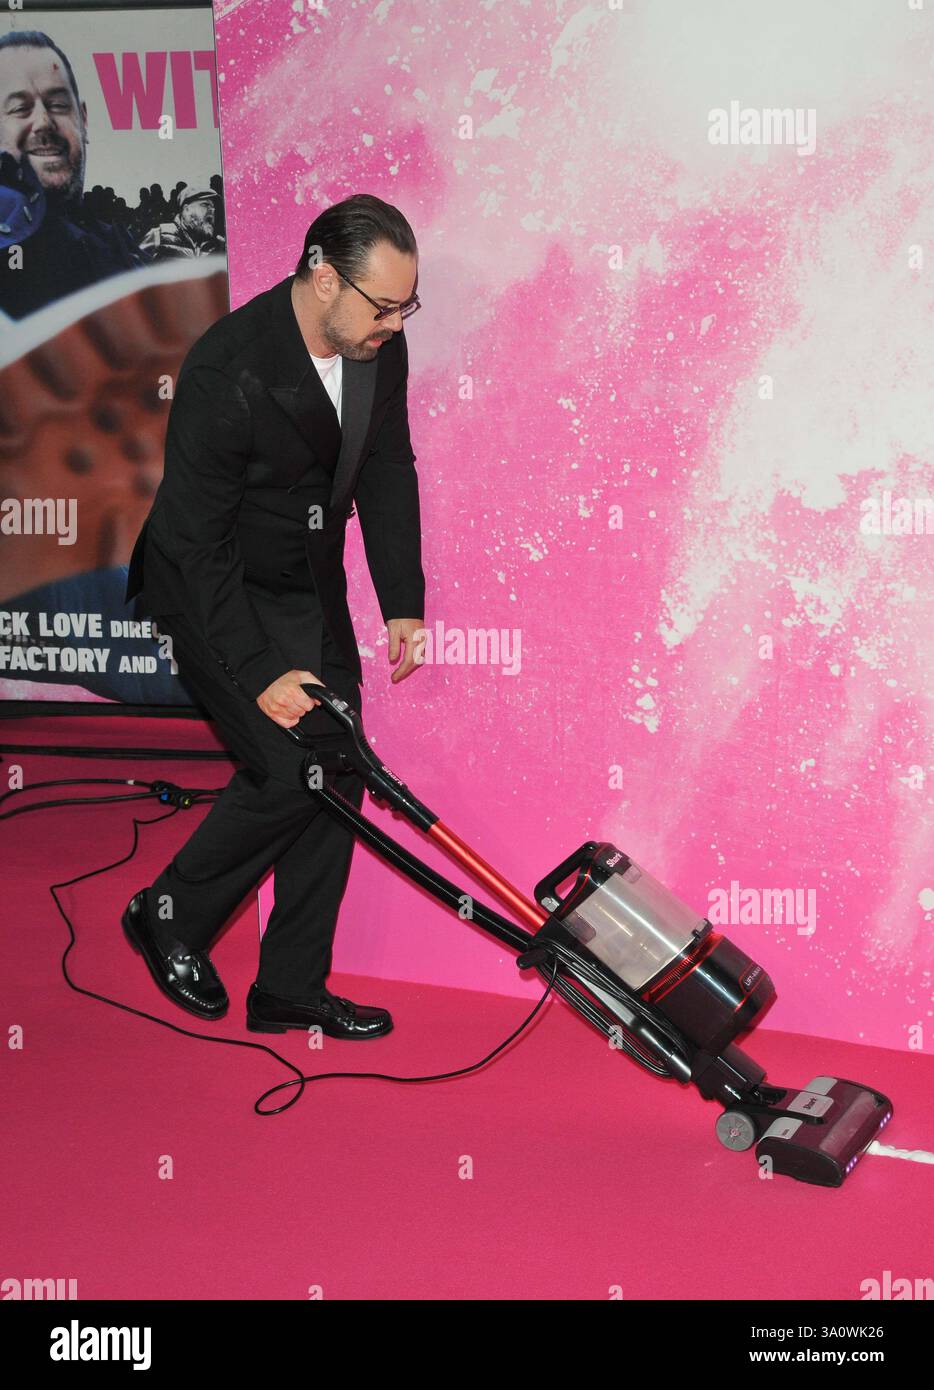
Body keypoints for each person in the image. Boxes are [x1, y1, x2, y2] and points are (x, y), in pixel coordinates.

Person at [121, 193, 426, 1039]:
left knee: (340, 766)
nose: (396, 324)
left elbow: (387, 462)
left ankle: (289, 985)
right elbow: (192, 541)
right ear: (322, 279)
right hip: (211, 589)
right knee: (294, 769)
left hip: (301, 582)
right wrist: (257, 674)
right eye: (383, 306)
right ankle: (170, 911)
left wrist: (403, 598)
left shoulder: (372, 346)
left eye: (408, 304)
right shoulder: (231, 368)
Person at [0, 30, 152, 320]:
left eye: (58, 105)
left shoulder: (121, 252)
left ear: (83, 119)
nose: (44, 122)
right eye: (20, 108)